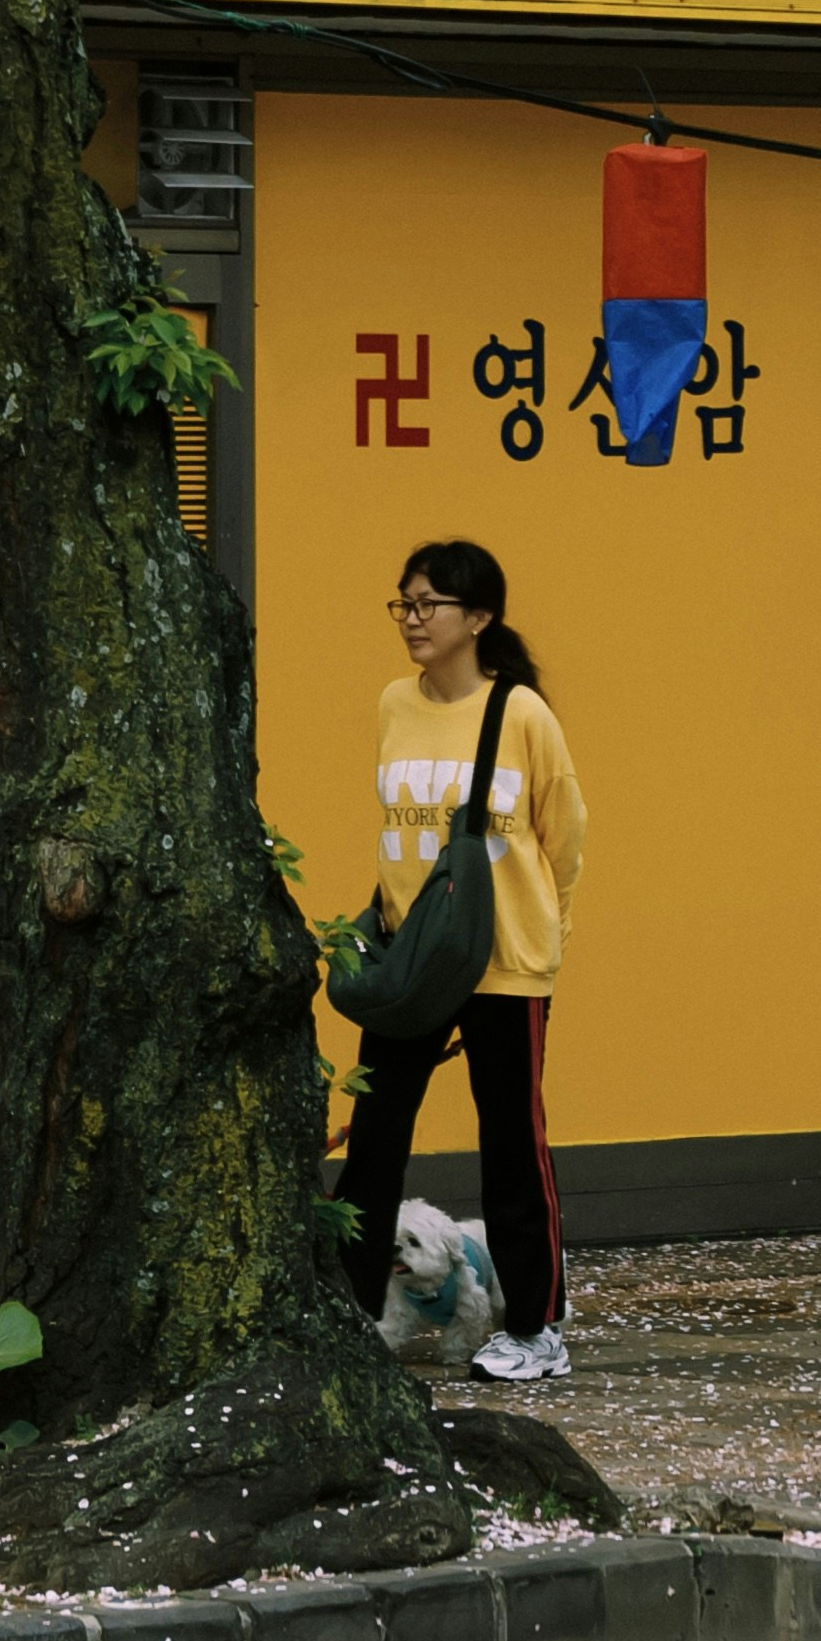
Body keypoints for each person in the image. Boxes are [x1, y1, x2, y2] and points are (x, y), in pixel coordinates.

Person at [334, 535, 585, 1386]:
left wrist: (548, 941)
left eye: (428, 604)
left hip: (507, 963)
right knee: (374, 1138)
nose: (411, 619)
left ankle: (537, 1326)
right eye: (402, 602)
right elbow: (399, 843)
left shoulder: (520, 713)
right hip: (415, 962)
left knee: (512, 1141)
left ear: (478, 618)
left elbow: (565, 838)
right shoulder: (392, 704)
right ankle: (354, 1311)